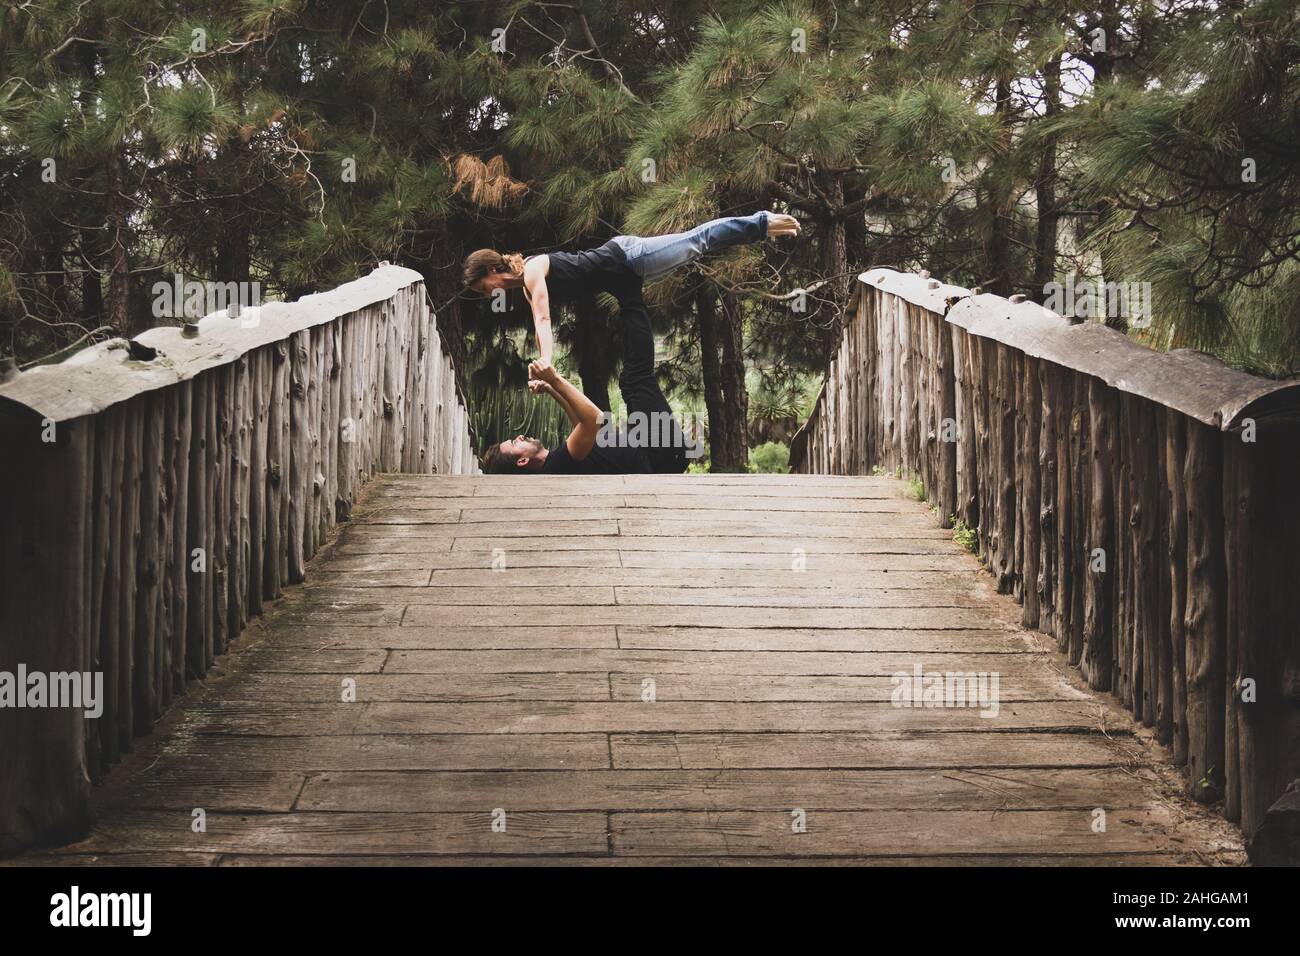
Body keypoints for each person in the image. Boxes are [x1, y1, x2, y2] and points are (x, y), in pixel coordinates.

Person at [461, 210, 801, 365]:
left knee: (696, 242)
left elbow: (544, 321)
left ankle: (760, 223)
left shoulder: (534, 271)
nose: (486, 294)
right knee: (638, 339)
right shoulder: (524, 287)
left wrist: (547, 358)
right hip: (620, 280)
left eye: (482, 286)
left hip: (626, 257)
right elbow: (538, 329)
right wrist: (542, 360)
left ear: (492, 269)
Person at [479, 294, 691, 474]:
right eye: (515, 443)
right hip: (659, 452)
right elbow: (595, 420)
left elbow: (585, 428)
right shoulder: (556, 465)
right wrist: (554, 378)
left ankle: (631, 299)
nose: (519, 436)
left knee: (630, 381)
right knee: (637, 378)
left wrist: (551, 389)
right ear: (522, 461)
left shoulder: (557, 462)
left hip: (655, 450)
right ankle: (631, 295)